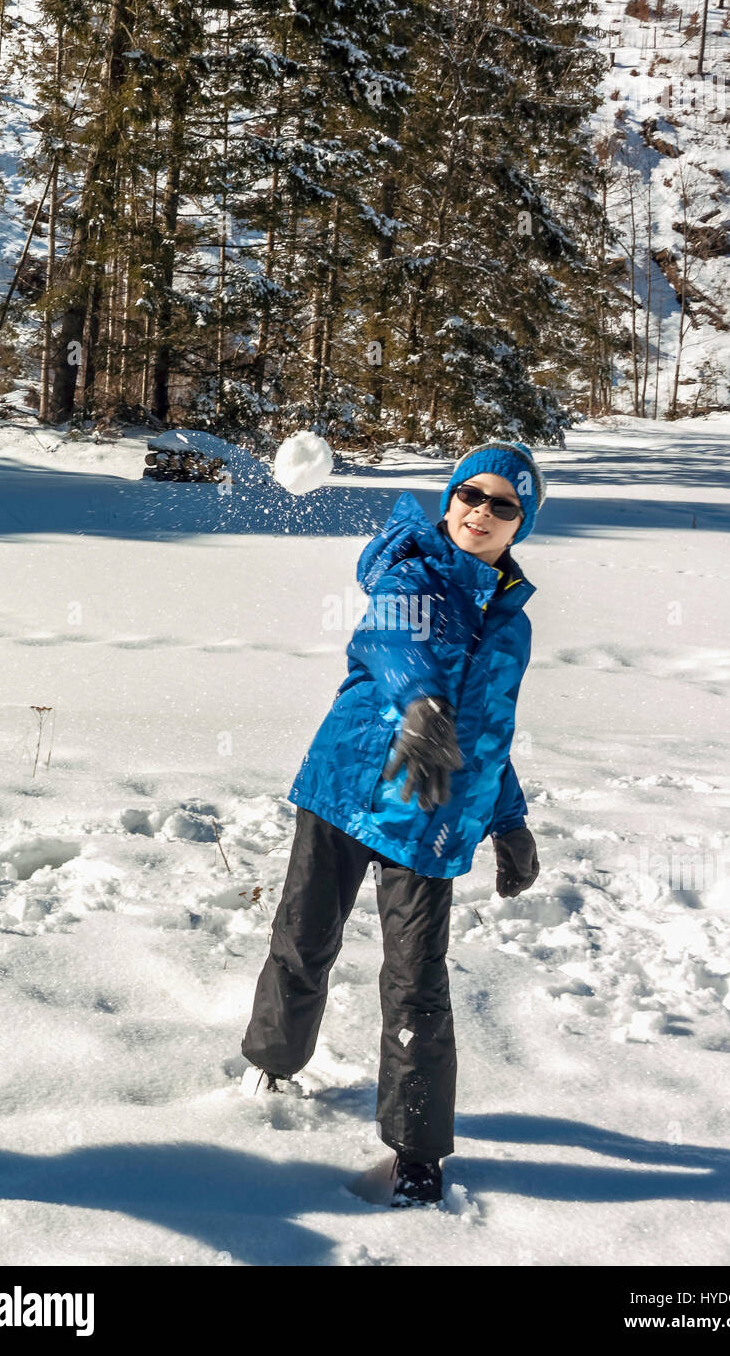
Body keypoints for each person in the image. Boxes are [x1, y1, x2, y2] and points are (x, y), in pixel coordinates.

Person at [240, 439, 544, 1207]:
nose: (480, 511)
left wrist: (508, 818)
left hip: (431, 816)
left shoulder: (511, 621)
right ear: (448, 501)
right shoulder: (410, 568)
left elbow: (486, 730)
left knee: (417, 986)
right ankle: (272, 1062)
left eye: (501, 504)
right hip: (348, 785)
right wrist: (420, 703)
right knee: (305, 941)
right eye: (469, 495)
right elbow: (393, 640)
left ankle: (416, 1151)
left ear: (521, 523)